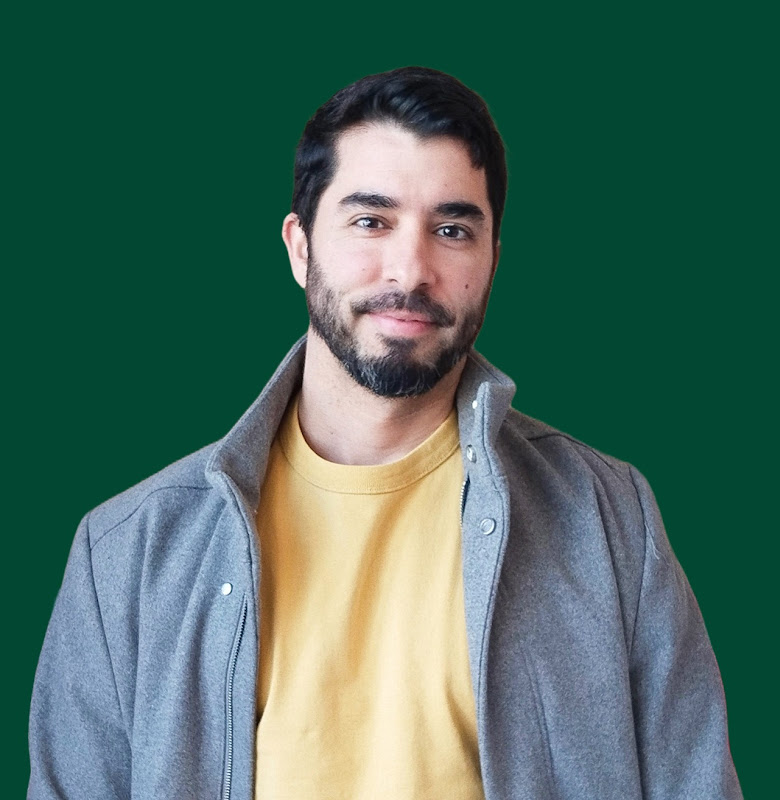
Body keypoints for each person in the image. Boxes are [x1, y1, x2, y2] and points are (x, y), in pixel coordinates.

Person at [28, 66, 742, 799]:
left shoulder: (609, 520)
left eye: (452, 230)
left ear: (493, 259)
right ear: (300, 246)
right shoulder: (126, 557)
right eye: (371, 221)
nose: (411, 269)